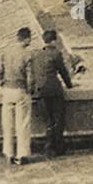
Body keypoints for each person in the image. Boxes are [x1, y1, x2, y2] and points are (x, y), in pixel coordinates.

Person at [32, 28, 75, 157]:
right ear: (54, 41)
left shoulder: (36, 54)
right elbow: (63, 72)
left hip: (41, 91)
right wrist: (69, 85)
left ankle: (48, 147)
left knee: (48, 120)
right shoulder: (56, 53)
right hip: (54, 90)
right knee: (58, 118)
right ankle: (58, 147)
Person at [0, 27, 35, 166]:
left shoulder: (6, 52)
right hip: (20, 90)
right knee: (23, 124)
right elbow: (30, 78)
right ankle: (22, 155)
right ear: (26, 39)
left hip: (7, 90)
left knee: (7, 124)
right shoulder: (27, 54)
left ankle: (8, 153)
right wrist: (30, 90)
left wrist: (3, 84)